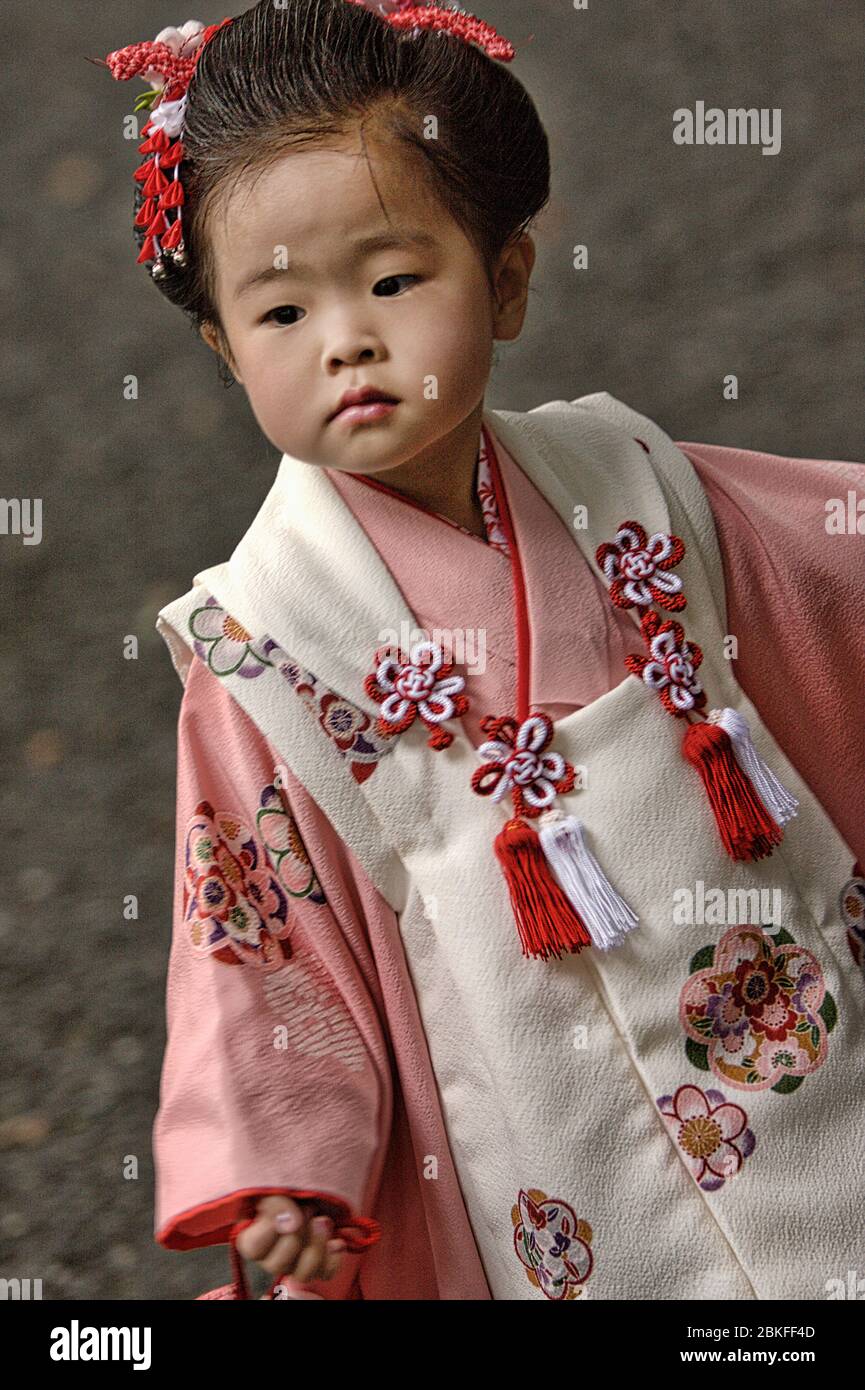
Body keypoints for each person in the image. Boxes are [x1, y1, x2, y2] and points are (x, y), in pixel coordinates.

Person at [99, 1, 864, 1300]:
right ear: (226, 349)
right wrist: (286, 1159)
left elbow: (825, 560)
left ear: (503, 281)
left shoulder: (637, 484)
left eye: (394, 281)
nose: (346, 338)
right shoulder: (265, 643)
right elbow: (259, 941)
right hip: (541, 1132)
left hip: (796, 1043)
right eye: (281, 313)